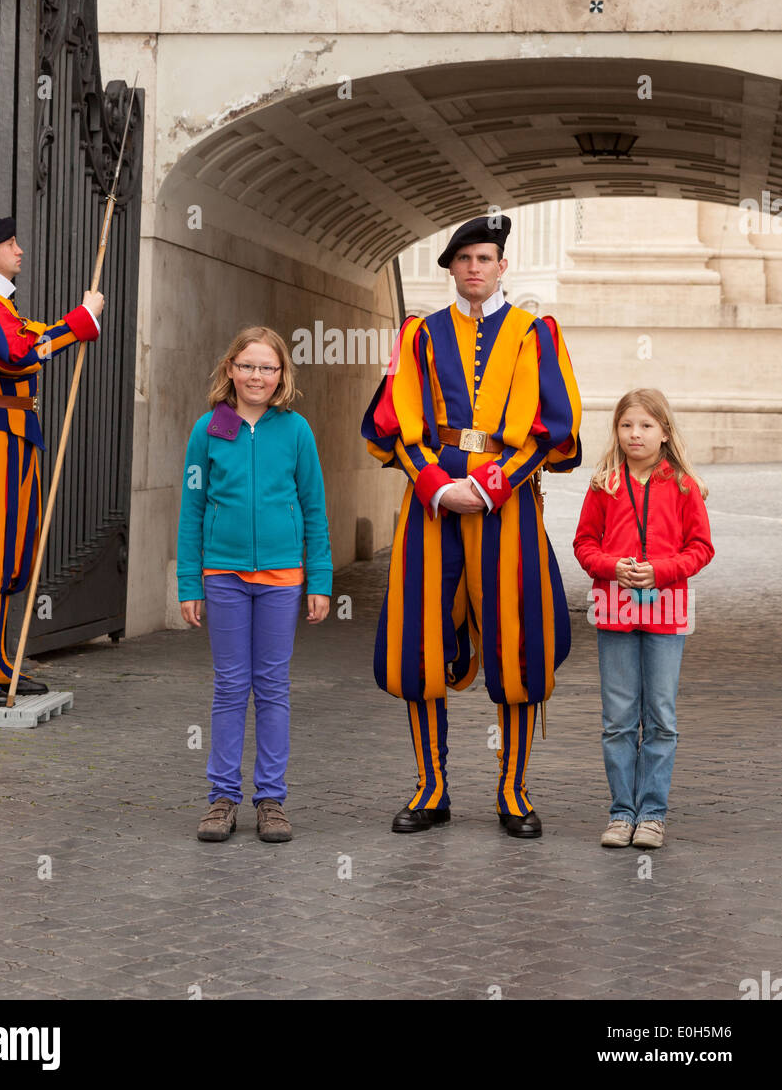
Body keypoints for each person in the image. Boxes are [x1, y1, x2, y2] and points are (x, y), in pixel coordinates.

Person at [362, 214, 582, 838]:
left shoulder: (535, 333)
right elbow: (392, 423)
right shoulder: (421, 334)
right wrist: (434, 483)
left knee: (518, 642)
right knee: (421, 643)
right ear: (452, 268)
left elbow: (553, 427)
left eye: (485, 258)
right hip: (432, 503)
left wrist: (489, 485)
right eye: (464, 260)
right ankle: (431, 788)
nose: (475, 268)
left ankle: (513, 791)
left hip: (507, 502)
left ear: (502, 265)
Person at [0, 216, 104, 705]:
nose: (20, 250)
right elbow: (13, 355)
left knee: (6, 552)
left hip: (13, 435)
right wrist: (78, 322)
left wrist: (78, 323)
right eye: (11, 243)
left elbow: (33, 337)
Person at [177, 326, 332, 844]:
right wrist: (188, 581)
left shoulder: (296, 431)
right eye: (248, 366)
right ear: (230, 370)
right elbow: (192, 508)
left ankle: (271, 800)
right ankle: (222, 798)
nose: (257, 376)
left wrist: (321, 579)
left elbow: (314, 507)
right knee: (228, 686)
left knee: (272, 687)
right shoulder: (208, 430)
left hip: (282, 579)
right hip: (222, 576)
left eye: (268, 368)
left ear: (282, 375)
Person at [573, 388, 714, 850]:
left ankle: (651, 814)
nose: (636, 434)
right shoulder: (603, 485)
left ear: (664, 432)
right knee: (617, 719)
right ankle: (621, 813)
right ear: (616, 430)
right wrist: (612, 566)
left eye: (646, 425)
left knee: (660, 718)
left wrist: (662, 570)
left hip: (665, 612)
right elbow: (584, 544)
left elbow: (701, 547)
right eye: (627, 424)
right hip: (614, 610)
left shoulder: (684, 486)